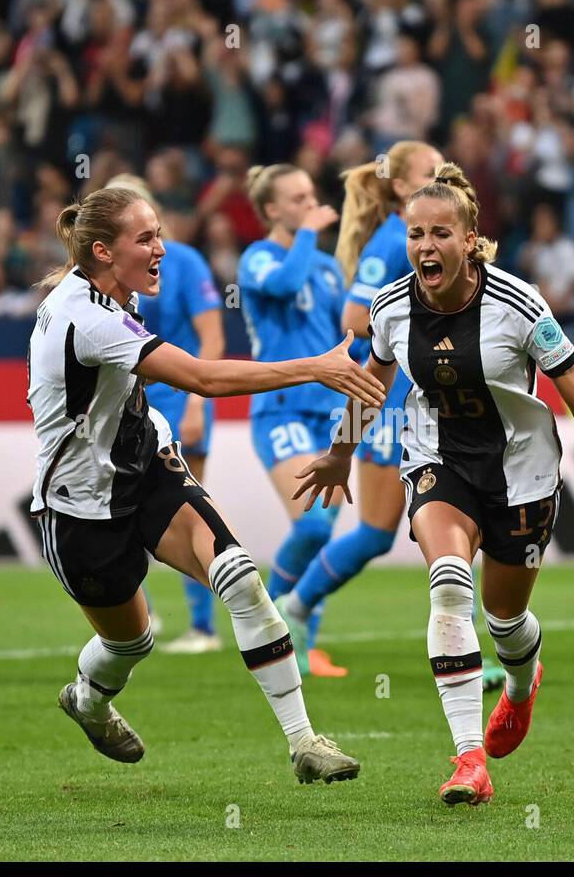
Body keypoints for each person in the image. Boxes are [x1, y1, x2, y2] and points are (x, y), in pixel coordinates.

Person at [294, 163, 574, 806]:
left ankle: (523, 687)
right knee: (448, 583)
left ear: (469, 240)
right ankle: (469, 758)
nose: (424, 247)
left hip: (521, 473)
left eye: (440, 233)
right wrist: (341, 453)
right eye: (416, 234)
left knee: (506, 621)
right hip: (438, 464)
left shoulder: (521, 305)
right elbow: (374, 385)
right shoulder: (391, 308)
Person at [27, 186, 385, 782]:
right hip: (80, 507)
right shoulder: (85, 317)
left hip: (148, 466)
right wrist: (316, 366)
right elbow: (202, 378)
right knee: (131, 644)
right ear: (103, 252)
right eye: (146, 239)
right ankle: (87, 700)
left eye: (159, 233)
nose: (161, 248)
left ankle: (304, 744)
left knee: (241, 577)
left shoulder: (110, 296)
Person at [274, 140, 506, 687]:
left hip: (433, 400)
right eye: (427, 172)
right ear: (401, 188)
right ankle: (297, 606)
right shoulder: (390, 243)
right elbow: (355, 317)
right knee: (409, 531)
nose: (441, 176)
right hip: (404, 401)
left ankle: (300, 608)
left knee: (413, 533)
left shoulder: (444, 243)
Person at [106, 174, 225, 654]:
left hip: (180, 400)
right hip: (128, 407)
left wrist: (198, 403)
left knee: (191, 508)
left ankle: (202, 625)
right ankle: (142, 614)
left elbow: (213, 337)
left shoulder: (186, 261)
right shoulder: (104, 272)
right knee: (121, 512)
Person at [238, 163, 347, 675]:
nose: (310, 203)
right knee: (315, 522)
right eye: (297, 198)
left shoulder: (327, 268)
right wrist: (306, 233)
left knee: (321, 530)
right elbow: (283, 285)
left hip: (329, 412)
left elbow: (346, 331)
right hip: (279, 407)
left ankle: (301, 643)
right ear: (271, 209)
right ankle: (271, 623)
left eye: (311, 195)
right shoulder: (258, 259)